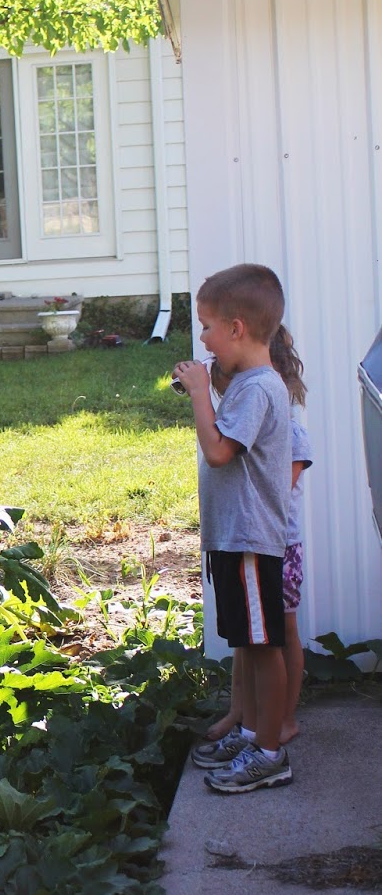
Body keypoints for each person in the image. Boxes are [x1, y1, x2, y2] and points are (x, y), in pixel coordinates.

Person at [172, 263, 293, 793]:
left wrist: (202, 392)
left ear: (237, 328)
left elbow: (220, 451)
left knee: (262, 647)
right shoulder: (247, 384)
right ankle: (249, 732)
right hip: (232, 537)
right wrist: (207, 389)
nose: (203, 339)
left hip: (249, 540)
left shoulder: (259, 388)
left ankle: (270, 753)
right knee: (247, 642)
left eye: (207, 327)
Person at [201, 325, 311, 750]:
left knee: (279, 633)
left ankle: (282, 719)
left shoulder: (287, 425)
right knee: (250, 640)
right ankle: (242, 715)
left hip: (278, 545)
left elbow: (273, 489)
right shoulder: (251, 410)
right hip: (254, 542)